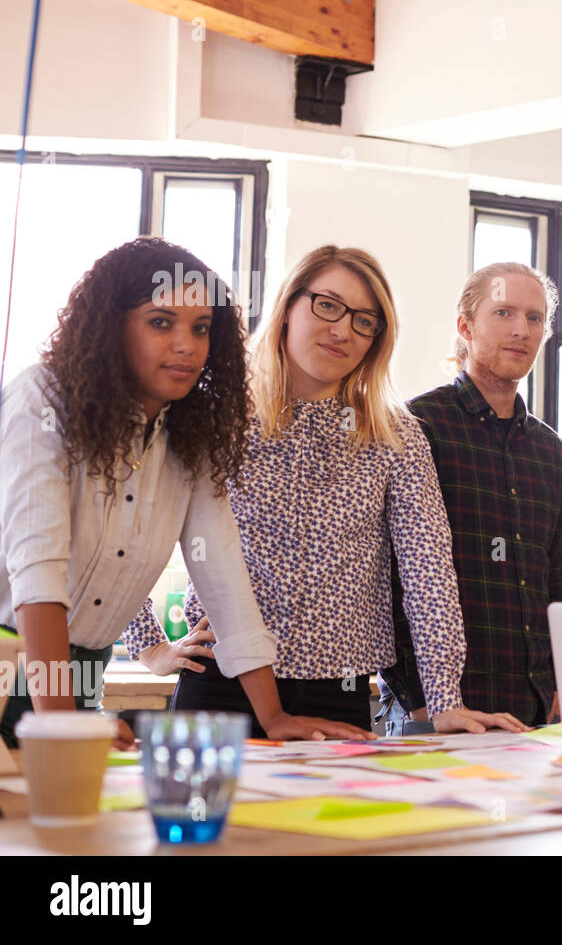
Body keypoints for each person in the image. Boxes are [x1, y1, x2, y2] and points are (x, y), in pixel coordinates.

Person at [124, 246, 518, 737]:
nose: (343, 330)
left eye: (365, 321)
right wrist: (151, 647)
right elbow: (125, 531)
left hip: (341, 692)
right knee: (216, 816)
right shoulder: (215, 415)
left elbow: (428, 571)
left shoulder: (394, 434)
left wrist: (444, 699)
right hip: (221, 681)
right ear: (288, 306)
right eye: (328, 305)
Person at [1, 237, 365, 749]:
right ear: (112, 326)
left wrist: (275, 716)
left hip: (75, 678)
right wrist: (62, 726)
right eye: (160, 322)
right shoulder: (43, 397)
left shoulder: (189, 434)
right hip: (20, 661)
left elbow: (225, 578)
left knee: (70, 827)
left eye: (200, 329)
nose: (186, 345)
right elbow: (38, 571)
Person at [377, 262, 562, 733]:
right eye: (504, 312)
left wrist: (561, 683)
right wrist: (419, 699)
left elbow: (559, 578)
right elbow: (381, 575)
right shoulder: (413, 427)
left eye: (534, 318)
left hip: (530, 711)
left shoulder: (550, 450)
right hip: (434, 711)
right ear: (465, 326)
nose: (521, 330)